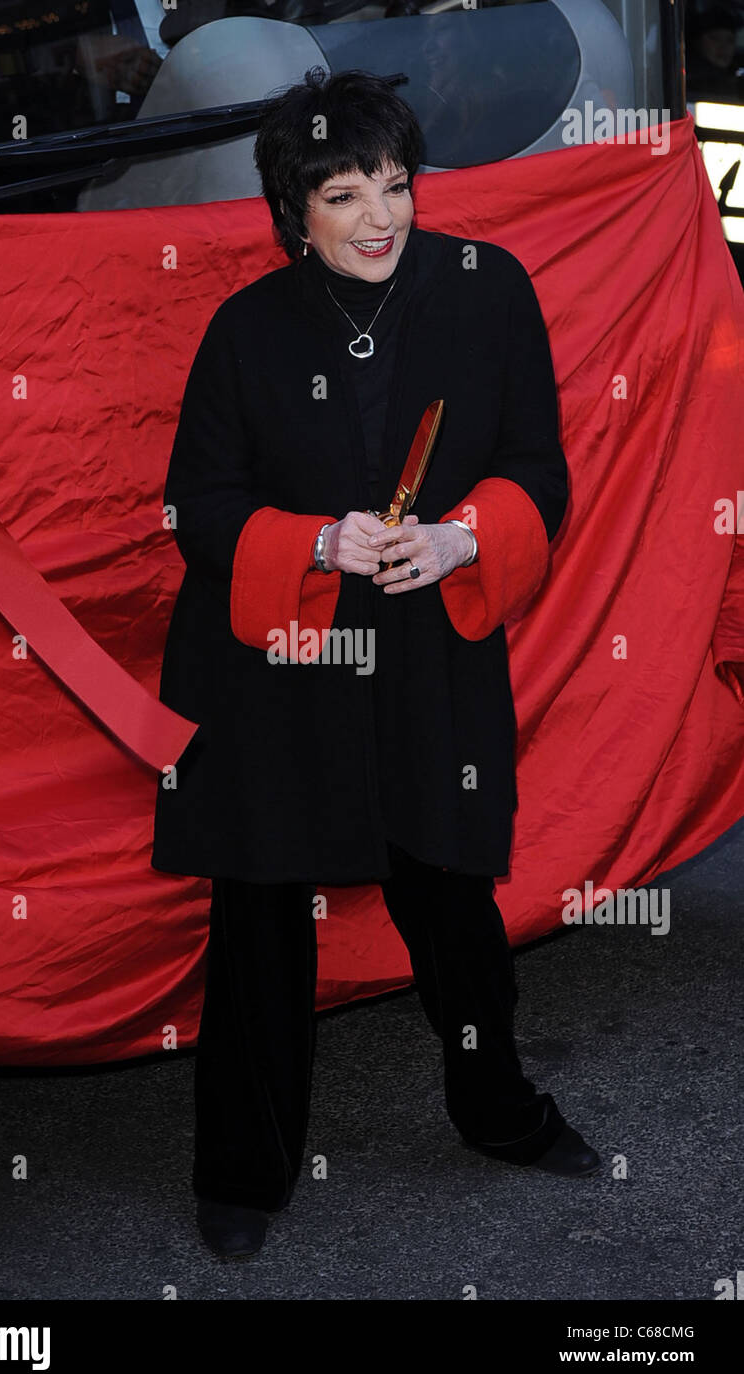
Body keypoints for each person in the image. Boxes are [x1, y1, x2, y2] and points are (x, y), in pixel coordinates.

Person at [151, 67, 599, 1260]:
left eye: (394, 185)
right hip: (277, 667)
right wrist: (309, 538)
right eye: (342, 194)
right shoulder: (244, 331)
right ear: (291, 210)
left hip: (423, 647)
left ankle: (500, 1113)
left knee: (450, 899)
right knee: (259, 925)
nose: (378, 218)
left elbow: (536, 471)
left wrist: (462, 536)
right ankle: (242, 1173)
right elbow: (194, 510)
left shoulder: (485, 291)